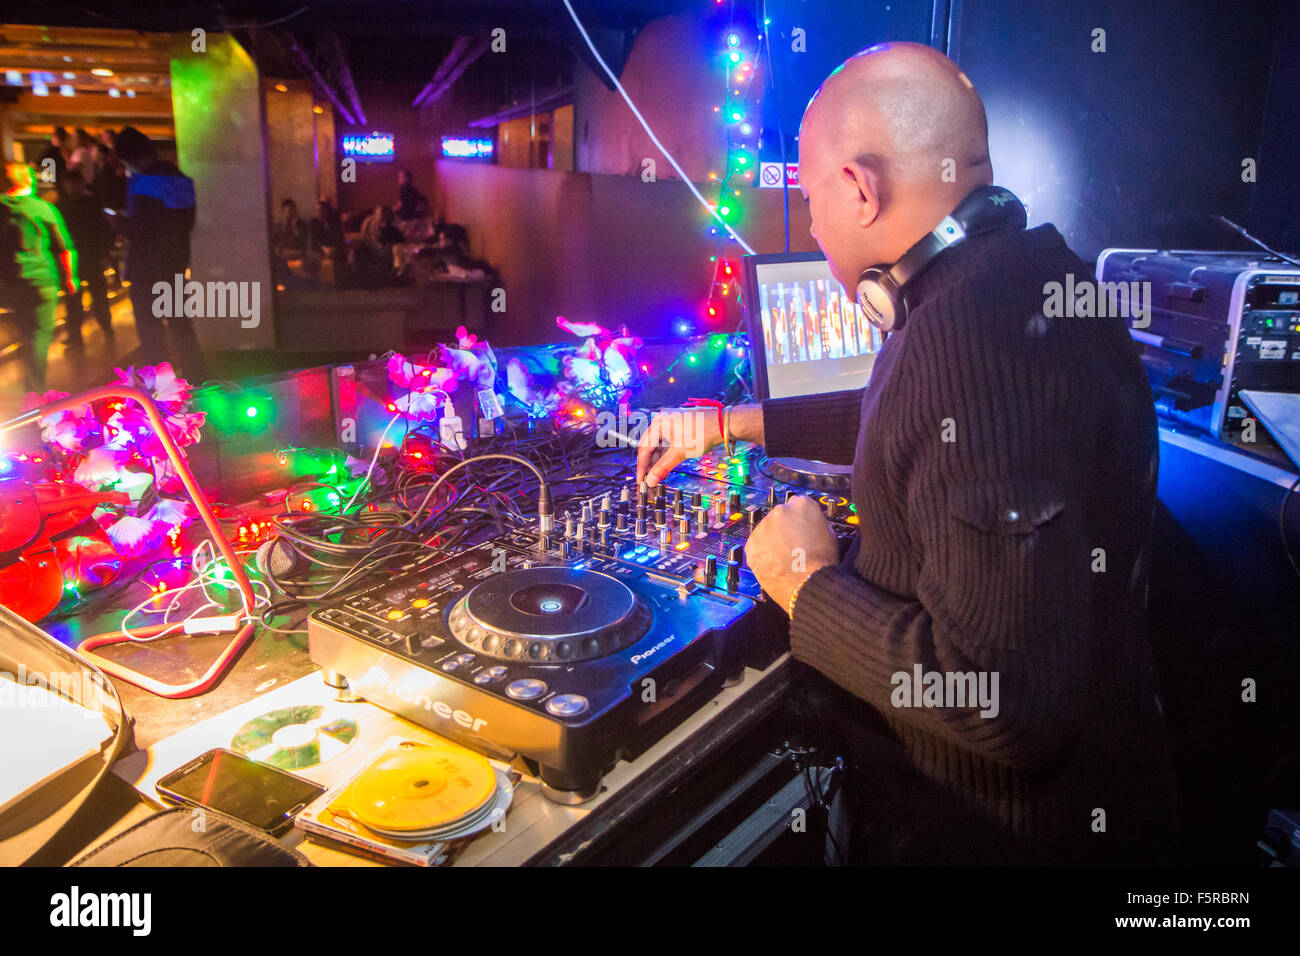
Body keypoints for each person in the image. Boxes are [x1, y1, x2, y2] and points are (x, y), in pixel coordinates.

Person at [637, 42, 1177, 866]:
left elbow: (1001, 701)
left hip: (993, 837)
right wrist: (736, 424)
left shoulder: (972, 337)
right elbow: (922, 425)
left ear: (858, 188)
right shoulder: (1028, 278)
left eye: (813, 197)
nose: (812, 225)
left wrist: (803, 583)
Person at [112, 126, 208, 382]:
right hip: (174, 265)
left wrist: (117, 222)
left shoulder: (144, 183)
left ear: (131, 157)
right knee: (181, 328)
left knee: (151, 335)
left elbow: (140, 229)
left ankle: (162, 389)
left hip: (146, 270)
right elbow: (184, 225)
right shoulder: (180, 180)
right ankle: (197, 380)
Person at [0, 162, 78, 393]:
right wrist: (70, 278)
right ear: (30, 180)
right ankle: (35, 394)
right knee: (39, 337)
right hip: (41, 280)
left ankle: (31, 390)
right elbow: (66, 248)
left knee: (25, 334)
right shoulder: (44, 209)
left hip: (10, 283)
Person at [58, 169, 116, 346]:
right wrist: (105, 253)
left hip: (79, 258)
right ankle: (103, 327)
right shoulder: (90, 204)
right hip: (89, 256)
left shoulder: (63, 207)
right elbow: (105, 229)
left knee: (77, 298)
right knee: (95, 295)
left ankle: (80, 334)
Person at [36, 127, 72, 200]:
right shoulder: (68, 149)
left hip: (60, 181)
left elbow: (37, 162)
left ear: (56, 137)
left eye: (52, 136)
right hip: (69, 182)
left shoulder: (52, 150)